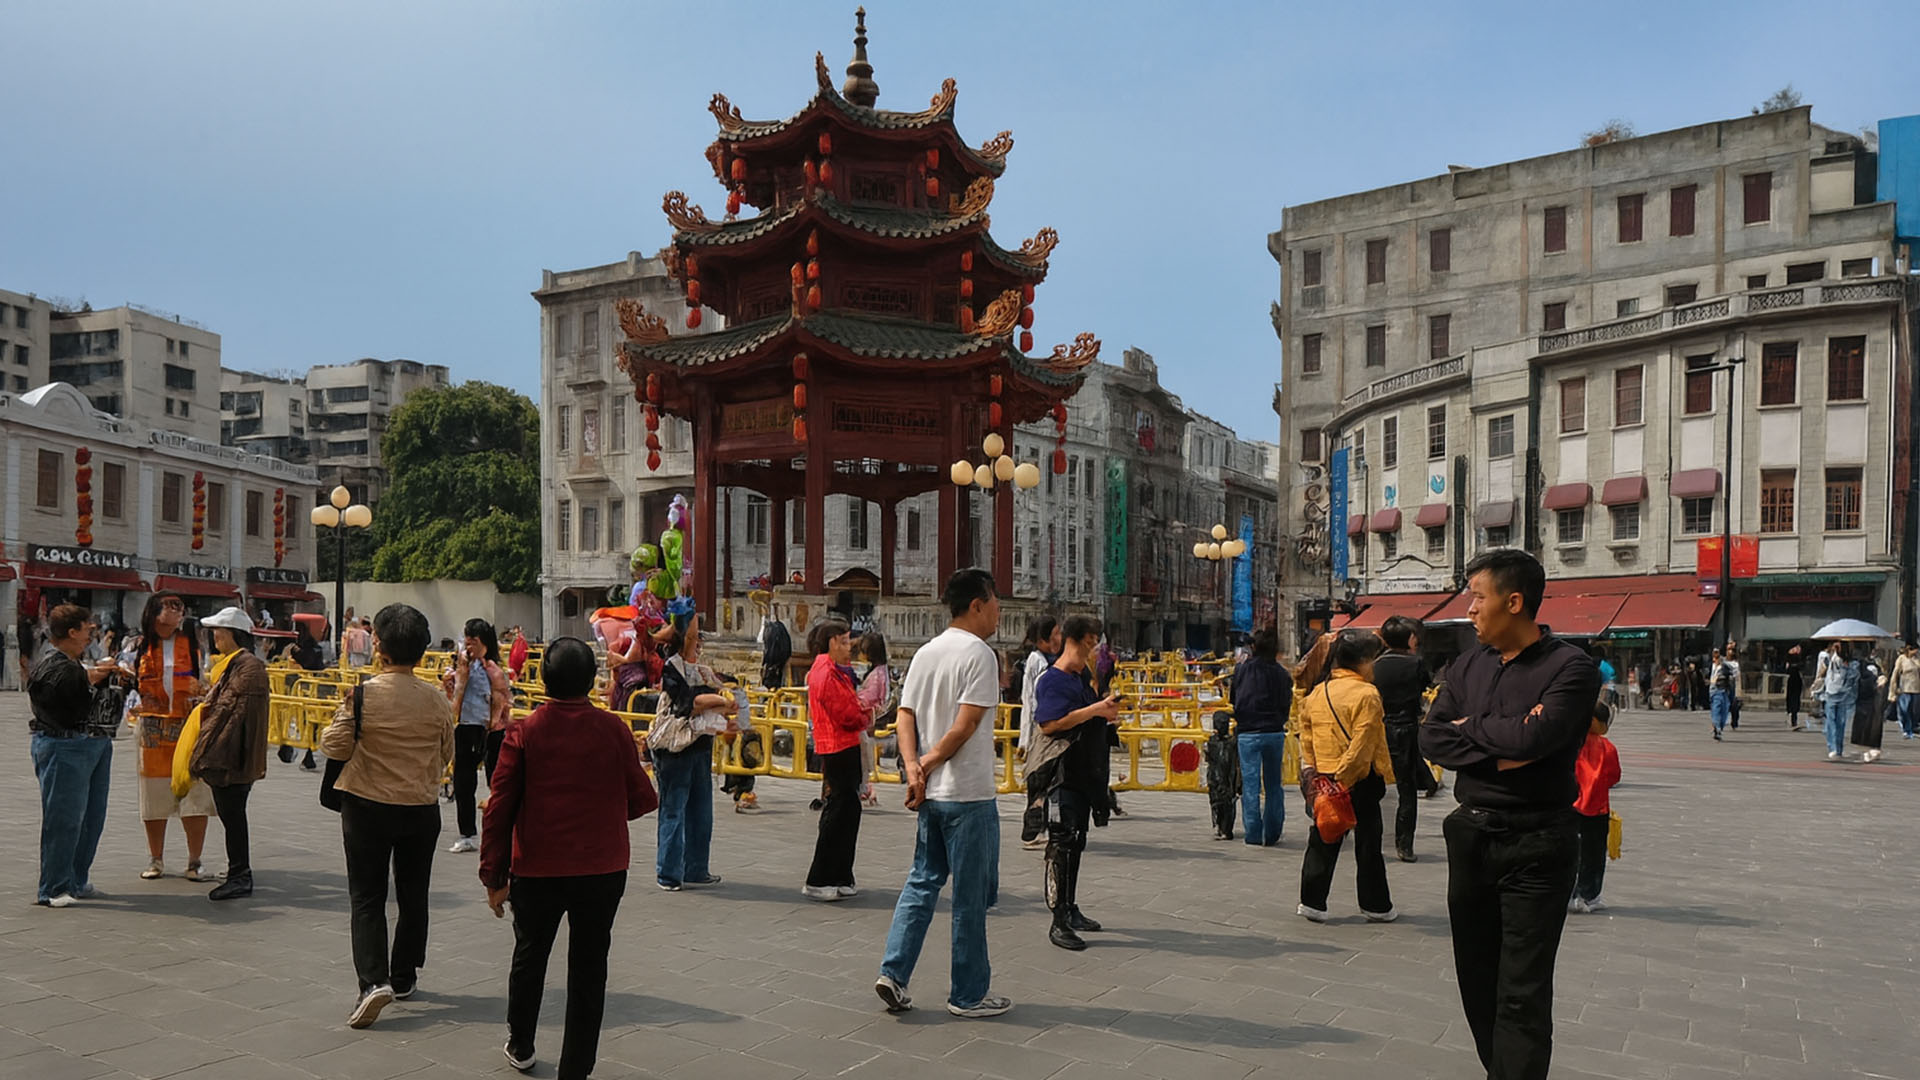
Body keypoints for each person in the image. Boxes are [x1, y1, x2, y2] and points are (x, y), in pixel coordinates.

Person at [1420, 549, 1602, 1080]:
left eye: (1478, 597)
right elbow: (1433, 738)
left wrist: (1472, 727)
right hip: (1471, 836)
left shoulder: (1570, 667)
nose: (1470, 609)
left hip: (1538, 842)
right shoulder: (1467, 663)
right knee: (1476, 980)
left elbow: (1538, 737)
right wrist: (1505, 735)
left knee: (1521, 989)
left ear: (1514, 601)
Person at [482, 637, 656, 1079]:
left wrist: (493, 874)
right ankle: (577, 1067)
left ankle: (521, 1041)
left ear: (544, 679)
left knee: (530, 954)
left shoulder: (524, 732)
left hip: (538, 866)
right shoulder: (614, 729)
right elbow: (641, 798)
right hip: (602, 867)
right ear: (589, 680)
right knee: (590, 965)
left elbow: (499, 808)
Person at [874, 568, 1012, 1018]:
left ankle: (893, 972)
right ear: (977, 604)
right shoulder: (980, 655)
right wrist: (928, 765)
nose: (998, 612)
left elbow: (904, 717)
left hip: (930, 795)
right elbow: (966, 725)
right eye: (994, 602)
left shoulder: (925, 653)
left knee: (922, 881)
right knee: (970, 898)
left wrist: (915, 768)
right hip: (968, 794)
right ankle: (967, 993)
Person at [322, 603, 456, 1029]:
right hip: (419, 807)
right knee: (414, 895)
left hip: (366, 805)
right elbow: (447, 753)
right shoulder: (437, 699)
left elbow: (334, 746)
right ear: (421, 650)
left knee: (368, 896)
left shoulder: (363, 694)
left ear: (377, 645)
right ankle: (403, 975)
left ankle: (372, 980)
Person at [1025, 614, 1119, 951]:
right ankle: (1058, 918)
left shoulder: (1082, 677)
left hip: (1084, 772)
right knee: (1062, 845)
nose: (1097, 649)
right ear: (1082, 640)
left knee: (1077, 841)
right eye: (1094, 642)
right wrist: (1095, 710)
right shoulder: (1054, 679)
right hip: (1061, 774)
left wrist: (1103, 709)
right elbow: (1049, 724)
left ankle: (1071, 907)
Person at [1295, 629, 1396, 924]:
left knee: (1323, 837)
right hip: (1359, 779)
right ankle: (1375, 905)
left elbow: (1307, 739)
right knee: (1368, 845)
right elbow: (1363, 743)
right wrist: (1346, 777)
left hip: (1324, 776)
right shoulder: (1367, 694)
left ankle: (1311, 901)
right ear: (1364, 661)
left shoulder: (1316, 693)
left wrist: (1318, 775)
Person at [29, 604, 118, 907]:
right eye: (86, 630)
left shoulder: (74, 663)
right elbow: (65, 685)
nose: (89, 637)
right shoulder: (53, 665)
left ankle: (76, 879)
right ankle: (53, 887)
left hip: (92, 743)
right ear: (71, 632)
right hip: (64, 745)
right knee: (64, 819)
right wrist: (96, 675)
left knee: (92, 818)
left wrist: (100, 672)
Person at [126, 590, 215, 881]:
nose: (179, 612)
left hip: (188, 726)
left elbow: (207, 681)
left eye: (181, 607)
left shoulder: (194, 645)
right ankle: (156, 859)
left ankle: (195, 860)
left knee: (194, 794)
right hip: (152, 730)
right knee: (153, 795)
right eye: (172, 606)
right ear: (154, 612)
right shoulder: (138, 646)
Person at [189, 607, 271, 901]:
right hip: (233, 753)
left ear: (233, 635)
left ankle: (240, 875)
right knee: (231, 815)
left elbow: (229, 715)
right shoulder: (238, 665)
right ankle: (238, 871)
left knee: (233, 816)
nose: (216, 639)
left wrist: (205, 752)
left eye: (219, 633)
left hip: (233, 755)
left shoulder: (247, 667)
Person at [651, 616, 734, 892]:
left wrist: (728, 709)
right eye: (696, 637)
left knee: (701, 810)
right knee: (674, 809)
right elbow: (691, 703)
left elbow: (722, 695)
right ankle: (669, 872)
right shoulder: (671, 669)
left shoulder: (702, 670)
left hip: (700, 743)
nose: (699, 643)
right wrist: (722, 700)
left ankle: (696, 868)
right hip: (675, 746)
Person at [804, 620, 868, 901]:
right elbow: (847, 713)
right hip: (836, 744)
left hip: (845, 743)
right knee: (838, 809)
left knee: (849, 808)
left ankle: (842, 874)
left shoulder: (837, 672)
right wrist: (865, 714)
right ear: (832, 642)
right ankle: (821, 877)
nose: (848, 647)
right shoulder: (826, 673)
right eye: (844, 641)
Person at [442, 619, 513, 854]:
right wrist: (453, 681)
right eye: (467, 641)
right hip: (467, 726)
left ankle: (503, 830)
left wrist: (498, 723)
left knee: (497, 781)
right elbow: (455, 697)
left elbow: (501, 700)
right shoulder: (462, 665)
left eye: (474, 641)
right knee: (463, 783)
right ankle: (467, 834)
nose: (469, 646)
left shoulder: (493, 669)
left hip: (492, 730)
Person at [1372, 616, 1434, 862]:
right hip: (1406, 728)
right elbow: (1424, 687)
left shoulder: (1374, 665)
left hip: (1379, 728)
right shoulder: (1416, 664)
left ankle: (1368, 838)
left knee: (1373, 786)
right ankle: (1404, 845)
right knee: (1406, 791)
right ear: (1409, 638)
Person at [1229, 627, 1293, 848]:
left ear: (1253, 647)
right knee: (1274, 784)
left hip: (1248, 733)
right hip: (1274, 732)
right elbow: (1287, 702)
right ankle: (1273, 832)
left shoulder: (1241, 670)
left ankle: (1253, 833)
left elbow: (1233, 698)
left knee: (1251, 785)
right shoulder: (1283, 674)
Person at [1569, 701, 1620, 915]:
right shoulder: (1608, 748)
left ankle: (1570, 895)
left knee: (1571, 852)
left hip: (1571, 805)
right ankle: (1590, 896)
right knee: (1595, 854)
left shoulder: (1572, 743)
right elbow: (1614, 776)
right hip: (1598, 807)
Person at [1015, 616, 1061, 849]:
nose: (1059, 638)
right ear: (1044, 638)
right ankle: (1032, 830)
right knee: (1038, 780)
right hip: (1037, 730)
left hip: (1050, 730)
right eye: (1055, 634)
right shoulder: (1035, 660)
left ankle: (1044, 827)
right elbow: (1028, 701)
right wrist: (1024, 740)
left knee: (1048, 780)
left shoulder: (1054, 660)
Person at [853, 630, 892, 809]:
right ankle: (866, 788)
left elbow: (865, 700)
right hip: (871, 719)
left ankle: (864, 788)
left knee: (862, 759)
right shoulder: (881, 671)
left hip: (867, 719)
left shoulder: (876, 676)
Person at [1817, 642, 1857, 761]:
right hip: (1831, 692)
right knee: (1832, 721)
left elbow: (1852, 676)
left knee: (1840, 722)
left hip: (1842, 693)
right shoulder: (1830, 658)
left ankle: (1838, 749)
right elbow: (1824, 670)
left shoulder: (1850, 663)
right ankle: (1833, 748)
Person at [1204, 711, 1240, 840]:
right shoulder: (1230, 741)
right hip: (1225, 776)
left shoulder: (1213, 741)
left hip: (1220, 777)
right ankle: (1224, 828)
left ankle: (1222, 828)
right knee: (1226, 803)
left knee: (1220, 802)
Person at [1851, 650, 1888, 763]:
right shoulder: (1860, 664)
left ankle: (1872, 748)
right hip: (1866, 696)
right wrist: (1874, 683)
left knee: (1874, 722)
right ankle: (1868, 748)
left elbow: (1882, 674)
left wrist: (1882, 679)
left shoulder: (1875, 662)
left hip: (1874, 696)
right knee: (1866, 722)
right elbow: (1861, 680)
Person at [1891, 643, 1920, 740]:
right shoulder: (1902, 659)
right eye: (1915, 650)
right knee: (1904, 710)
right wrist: (1893, 690)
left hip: (1916, 688)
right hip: (1904, 689)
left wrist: (1916, 661)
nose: (1917, 652)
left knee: (1915, 711)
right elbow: (1895, 674)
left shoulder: (1917, 659)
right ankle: (1906, 730)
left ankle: (1913, 726)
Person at [1706, 648, 1734, 741]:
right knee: (1716, 708)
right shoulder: (1710, 666)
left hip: (1724, 690)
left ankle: (1719, 727)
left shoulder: (1725, 667)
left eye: (1718, 655)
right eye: (1714, 655)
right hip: (1715, 690)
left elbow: (1732, 675)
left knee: (1725, 710)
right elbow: (1707, 676)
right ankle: (1716, 727)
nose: (1716, 658)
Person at [1784, 646, 1806, 731]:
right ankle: (1792, 717)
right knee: (1793, 698)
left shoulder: (1796, 660)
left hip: (1794, 680)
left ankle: (1793, 717)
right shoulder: (1791, 660)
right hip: (1794, 680)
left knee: (1793, 698)